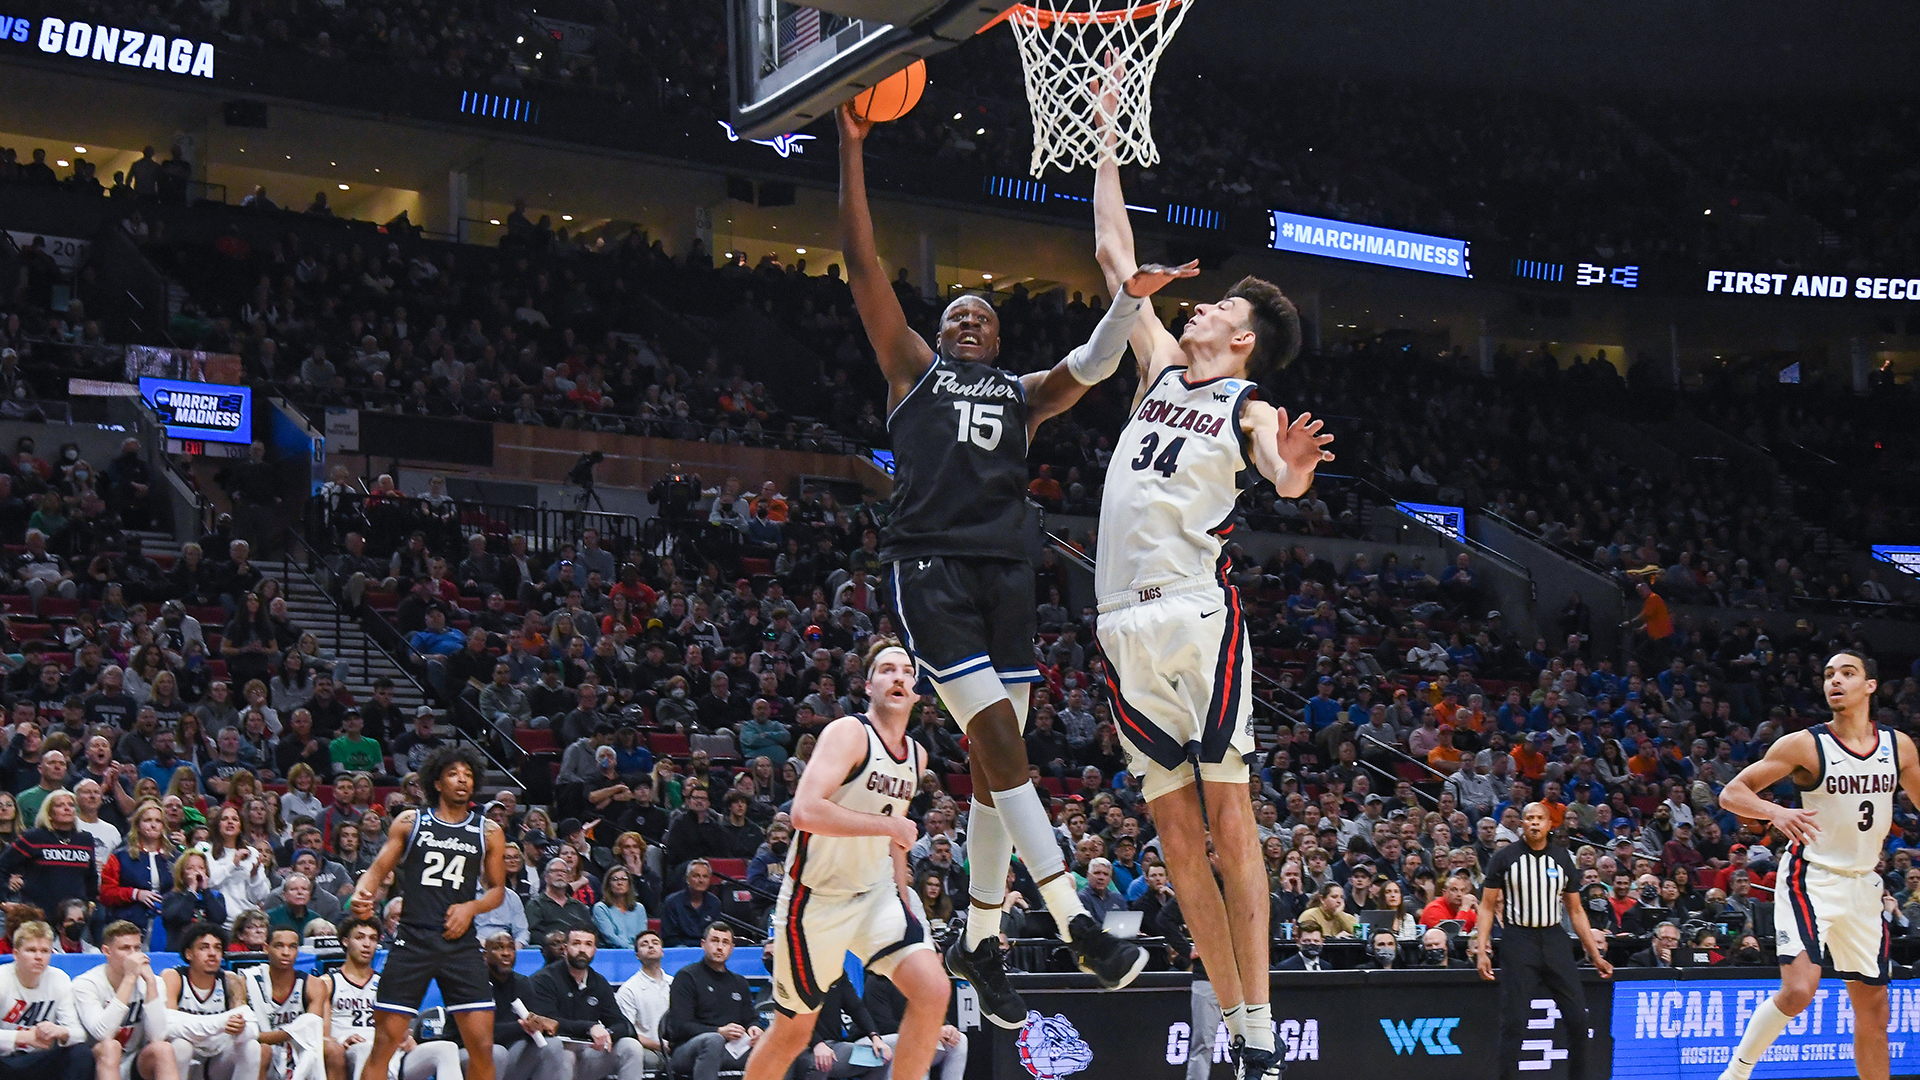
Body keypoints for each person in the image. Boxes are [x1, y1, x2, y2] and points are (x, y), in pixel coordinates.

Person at [837, 100, 1146, 1031]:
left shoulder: (1021, 394)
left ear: (1000, 338)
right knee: (1003, 746)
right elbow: (859, 265)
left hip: (1007, 575)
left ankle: (978, 941)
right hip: (930, 569)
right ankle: (1076, 919)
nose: (968, 320)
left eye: (984, 315)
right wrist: (852, 150)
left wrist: (1132, 298)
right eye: (956, 313)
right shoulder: (913, 371)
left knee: (987, 766)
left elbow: (1092, 363)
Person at [1088, 123, 1330, 1080]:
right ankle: (1237, 1026)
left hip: (1195, 614)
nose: (1196, 307)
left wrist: (1296, 472)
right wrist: (1103, 143)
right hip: (1120, 626)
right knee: (1175, 840)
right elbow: (1112, 252)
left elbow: (1280, 468)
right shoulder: (1154, 367)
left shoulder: (1248, 400)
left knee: (1230, 827)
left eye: (1218, 306)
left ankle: (1263, 1021)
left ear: (1240, 340)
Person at [745, 640, 952, 1080]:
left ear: (916, 691)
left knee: (934, 991)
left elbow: (895, 839)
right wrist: (889, 828)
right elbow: (804, 811)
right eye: (886, 670)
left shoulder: (917, 755)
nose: (897, 677)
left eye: (906, 672)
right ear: (869, 686)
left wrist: (903, 899)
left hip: (875, 896)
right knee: (793, 1033)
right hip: (814, 901)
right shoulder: (847, 733)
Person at [1716, 649, 1920, 1080]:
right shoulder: (1806, 744)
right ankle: (1735, 1074)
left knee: (1875, 1012)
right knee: (1798, 990)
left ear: (1870, 686)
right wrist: (1777, 813)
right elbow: (1731, 793)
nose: (1835, 681)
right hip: (1812, 878)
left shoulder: (1897, 746)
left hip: (1864, 884)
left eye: (1848, 673)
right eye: (1828, 674)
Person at [348, 745, 507, 1080]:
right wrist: (364, 893)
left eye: (467, 774)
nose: (462, 780)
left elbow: (496, 890)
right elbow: (378, 870)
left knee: (482, 1046)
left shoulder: (488, 831)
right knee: (385, 1043)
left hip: (461, 946)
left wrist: (471, 907)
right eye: (453, 774)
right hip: (413, 941)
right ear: (437, 782)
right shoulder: (412, 821)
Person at [1476, 803, 1613, 1080]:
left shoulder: (1562, 859)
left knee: (1578, 1018)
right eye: (1529, 818)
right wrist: (1482, 949)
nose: (1534, 823)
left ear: (1550, 824)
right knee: (1514, 1021)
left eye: (1540, 818)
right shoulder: (1505, 857)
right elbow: (1487, 906)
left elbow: (1576, 910)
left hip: (1554, 939)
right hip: (1518, 939)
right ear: (1521, 824)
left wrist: (1595, 953)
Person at [317, 915, 462, 1080]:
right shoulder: (328, 983)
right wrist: (341, 1040)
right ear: (345, 941)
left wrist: (405, 1037)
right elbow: (322, 1036)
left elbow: (401, 1027)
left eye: (372, 939)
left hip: (391, 1052)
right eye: (359, 937)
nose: (366, 944)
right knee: (367, 1049)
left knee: (446, 1048)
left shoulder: (387, 983)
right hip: (351, 1051)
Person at [528, 927, 648, 1080]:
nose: (582, 949)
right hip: (553, 1055)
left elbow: (622, 1024)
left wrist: (607, 1035)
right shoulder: (544, 979)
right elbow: (548, 1022)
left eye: (588, 944)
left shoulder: (599, 982)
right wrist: (589, 1027)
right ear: (565, 949)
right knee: (564, 1055)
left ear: (595, 950)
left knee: (630, 1046)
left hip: (588, 1053)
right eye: (576, 944)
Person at [74, 920, 176, 1080]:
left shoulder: (153, 982)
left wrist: (150, 983)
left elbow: (158, 1035)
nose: (134, 955)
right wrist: (129, 978)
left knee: (164, 1049)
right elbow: (103, 1033)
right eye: (125, 948)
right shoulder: (86, 984)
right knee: (110, 1046)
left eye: (137, 948)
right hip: (96, 1061)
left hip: (135, 1059)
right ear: (106, 951)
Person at [664, 922, 762, 1080]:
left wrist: (755, 1028)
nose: (719, 947)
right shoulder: (687, 977)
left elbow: (750, 1018)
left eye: (725, 942)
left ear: (732, 948)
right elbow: (679, 1027)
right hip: (688, 1049)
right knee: (713, 1040)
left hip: (733, 1048)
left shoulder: (739, 981)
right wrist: (719, 1031)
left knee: (775, 1047)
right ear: (703, 944)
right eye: (715, 941)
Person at [160, 921, 256, 1080]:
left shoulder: (231, 980)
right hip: (186, 1054)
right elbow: (168, 1027)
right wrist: (220, 1023)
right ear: (189, 954)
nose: (212, 953)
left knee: (252, 1046)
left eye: (217, 948)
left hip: (217, 1058)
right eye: (204, 947)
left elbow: (248, 1025)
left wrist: (239, 1027)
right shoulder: (173, 976)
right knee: (180, 1045)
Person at [0, 919, 87, 1079]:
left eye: (45, 951)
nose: (39, 957)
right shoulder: (2, 978)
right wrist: (23, 1037)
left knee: (81, 1053)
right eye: (31, 950)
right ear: (16, 954)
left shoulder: (59, 979)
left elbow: (79, 1034)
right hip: (4, 1059)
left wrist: (61, 1032)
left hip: (39, 1059)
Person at [245, 926, 323, 1080]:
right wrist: (292, 1033)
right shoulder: (247, 980)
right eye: (279, 946)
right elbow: (244, 1034)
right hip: (261, 1048)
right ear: (266, 948)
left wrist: (262, 1036)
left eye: (292, 947)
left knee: (331, 1049)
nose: (286, 953)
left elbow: (312, 1030)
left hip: (298, 1050)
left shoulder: (313, 984)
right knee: (262, 1050)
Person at [482, 931, 558, 1080]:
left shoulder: (522, 982)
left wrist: (541, 1024)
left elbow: (534, 1021)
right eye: (498, 948)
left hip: (511, 1052)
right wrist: (522, 1027)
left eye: (511, 948)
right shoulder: (474, 984)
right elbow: (478, 1034)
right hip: (470, 1051)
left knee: (553, 1045)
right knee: (496, 1052)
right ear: (485, 955)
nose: (506, 953)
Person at [612, 931, 671, 1074]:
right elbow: (627, 1032)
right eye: (645, 944)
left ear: (662, 951)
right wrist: (658, 1045)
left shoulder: (676, 983)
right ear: (637, 955)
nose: (651, 946)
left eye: (655, 943)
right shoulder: (629, 989)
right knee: (648, 1059)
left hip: (678, 1045)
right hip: (647, 1048)